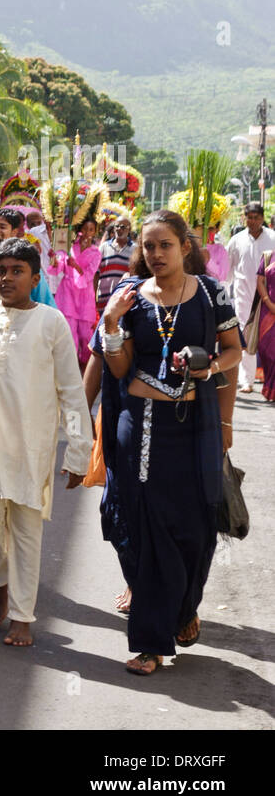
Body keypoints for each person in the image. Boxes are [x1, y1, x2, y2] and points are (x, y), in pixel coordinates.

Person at [96, 210, 240, 675]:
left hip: (194, 426)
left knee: (195, 527)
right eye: (148, 246)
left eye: (165, 245)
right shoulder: (129, 297)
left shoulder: (212, 294)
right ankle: (151, 642)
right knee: (141, 525)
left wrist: (211, 377)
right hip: (138, 425)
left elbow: (235, 351)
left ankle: (183, 608)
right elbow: (117, 371)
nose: (155, 254)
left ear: (184, 246)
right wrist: (112, 326)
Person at [0, 238, 91, 647]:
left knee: (27, 531)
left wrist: (78, 451)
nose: (5, 278)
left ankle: (23, 615)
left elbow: (71, 392)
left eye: (15, 271)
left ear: (35, 278)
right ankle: (1, 580)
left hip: (32, 445)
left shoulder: (51, 322)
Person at [225, 201, 275, 391]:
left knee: (269, 339)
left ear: (263, 218)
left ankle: (269, 379)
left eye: (256, 217)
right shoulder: (236, 240)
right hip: (243, 296)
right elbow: (227, 273)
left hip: (270, 298)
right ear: (244, 218)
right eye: (249, 217)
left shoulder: (272, 238)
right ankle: (247, 381)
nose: (253, 221)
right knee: (246, 339)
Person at [54, 217, 101, 368]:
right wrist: (54, 259)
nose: (87, 233)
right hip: (67, 293)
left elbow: (89, 274)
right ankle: (69, 367)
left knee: (86, 335)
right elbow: (59, 266)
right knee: (69, 331)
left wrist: (75, 266)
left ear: (95, 232)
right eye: (85, 229)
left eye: (91, 230)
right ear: (80, 229)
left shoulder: (96, 253)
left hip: (84, 295)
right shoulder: (69, 247)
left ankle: (86, 366)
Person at [95, 217, 134, 317]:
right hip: (104, 300)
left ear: (129, 229)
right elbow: (96, 273)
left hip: (124, 301)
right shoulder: (104, 247)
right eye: (116, 226)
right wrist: (93, 297)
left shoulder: (135, 249)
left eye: (122, 227)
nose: (119, 229)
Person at [252, 245, 275, 401]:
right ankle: (270, 386)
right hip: (268, 310)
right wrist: (269, 303)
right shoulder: (268, 256)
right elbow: (260, 280)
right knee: (267, 351)